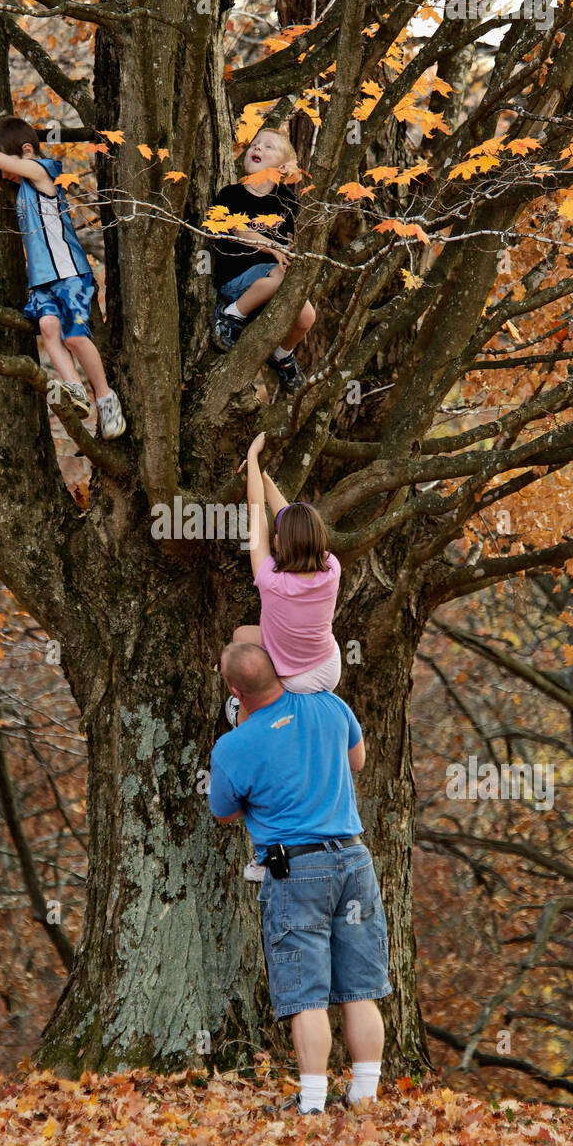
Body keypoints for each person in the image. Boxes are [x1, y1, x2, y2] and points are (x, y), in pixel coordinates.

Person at [209, 642, 391, 1116]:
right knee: (361, 988)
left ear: (234, 691)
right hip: (354, 860)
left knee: (306, 992)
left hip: (297, 871)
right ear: (279, 669)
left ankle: (312, 1104)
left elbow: (224, 813)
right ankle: (365, 1097)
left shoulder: (233, 746)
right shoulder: (329, 705)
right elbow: (358, 761)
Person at [0, 114, 126, 439]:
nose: (1, 173)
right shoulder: (22, 183)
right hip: (42, 280)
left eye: (5, 163)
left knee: (75, 336)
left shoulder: (43, 172)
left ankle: (106, 398)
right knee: (48, 326)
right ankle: (74, 388)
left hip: (69, 273)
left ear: (26, 150)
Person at [225, 432, 341, 726]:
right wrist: (259, 471)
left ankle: (247, 716)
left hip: (295, 679)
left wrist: (252, 457)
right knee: (242, 635)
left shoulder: (270, 579)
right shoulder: (331, 567)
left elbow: (256, 512)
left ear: (279, 543)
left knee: (240, 650)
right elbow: (288, 517)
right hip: (329, 667)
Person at [209, 128, 316, 394]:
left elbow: (294, 241)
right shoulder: (231, 194)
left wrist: (290, 252)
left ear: (283, 166)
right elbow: (239, 230)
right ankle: (231, 315)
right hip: (236, 276)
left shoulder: (287, 201)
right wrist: (271, 247)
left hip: (274, 281)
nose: (258, 148)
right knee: (278, 277)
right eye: (255, 144)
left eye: (268, 147)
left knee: (307, 316)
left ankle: (282, 355)